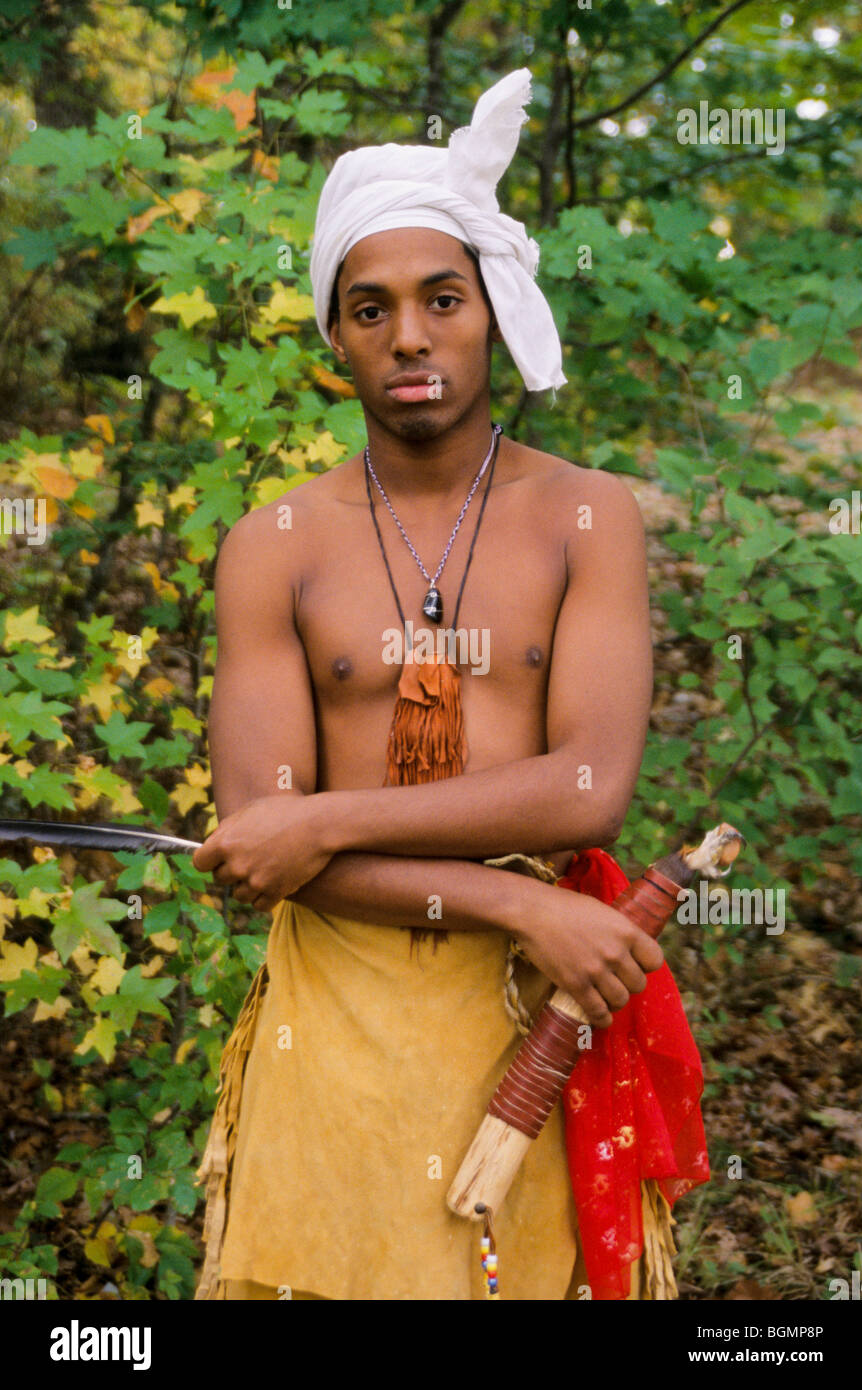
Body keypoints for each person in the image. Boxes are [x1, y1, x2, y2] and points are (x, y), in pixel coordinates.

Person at [191, 70, 687, 1302]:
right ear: (336, 335)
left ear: (491, 310)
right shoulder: (274, 545)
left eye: (440, 298)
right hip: (338, 1012)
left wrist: (329, 817)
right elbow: (263, 844)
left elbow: (585, 790)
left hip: (529, 1020)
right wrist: (521, 905)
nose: (409, 335)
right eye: (371, 308)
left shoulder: (588, 516)